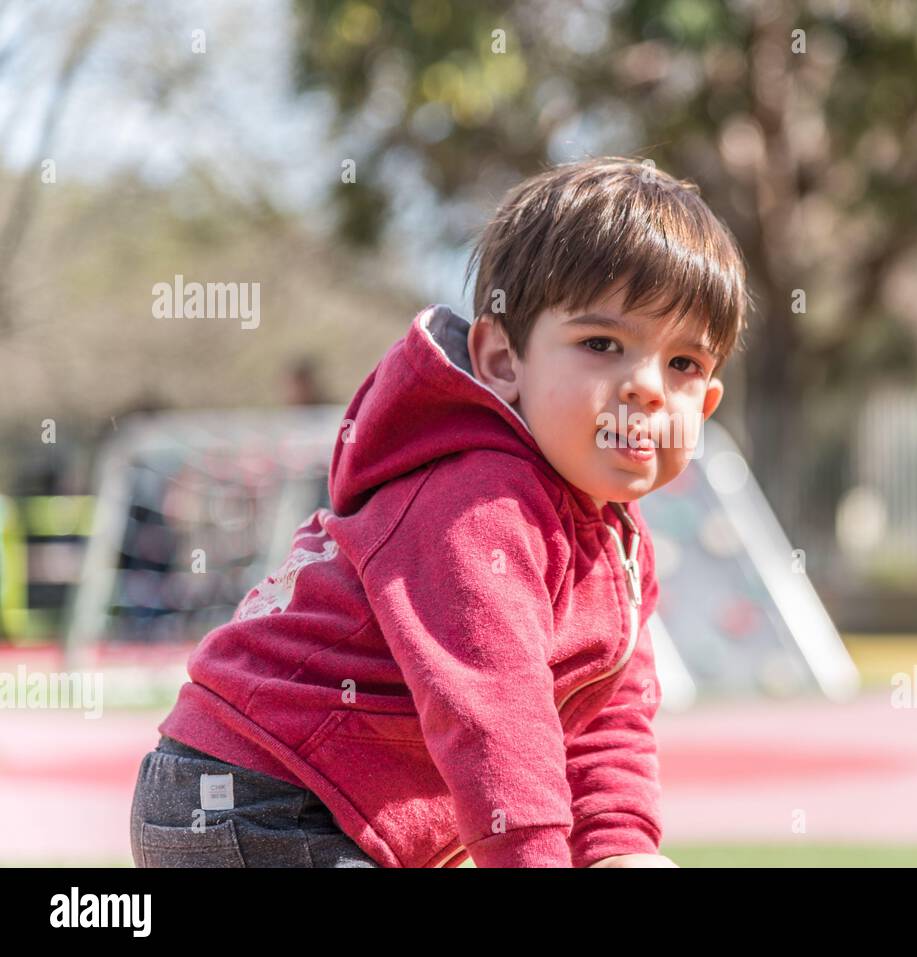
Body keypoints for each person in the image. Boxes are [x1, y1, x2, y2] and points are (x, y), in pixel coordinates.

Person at [128, 156, 750, 867]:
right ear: (502, 360)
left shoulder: (617, 543)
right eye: (601, 344)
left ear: (702, 408)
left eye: (683, 364)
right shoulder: (478, 501)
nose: (645, 387)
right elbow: (493, 710)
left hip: (319, 807)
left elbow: (604, 715)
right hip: (252, 793)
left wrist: (620, 847)